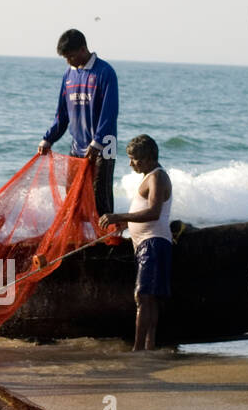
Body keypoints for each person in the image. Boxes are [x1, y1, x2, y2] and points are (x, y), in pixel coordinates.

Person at [99, 135, 172, 351]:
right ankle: (148, 347)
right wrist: (125, 221)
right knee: (149, 298)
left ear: (149, 159)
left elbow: (154, 213)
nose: (131, 163)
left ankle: (138, 349)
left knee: (143, 296)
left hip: (153, 243)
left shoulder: (157, 177)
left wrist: (117, 216)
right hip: (147, 244)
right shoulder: (149, 175)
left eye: (135, 159)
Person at [37, 28, 119, 215]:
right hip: (77, 147)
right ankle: (80, 238)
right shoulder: (68, 75)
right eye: (65, 58)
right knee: (74, 198)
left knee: (100, 199)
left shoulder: (105, 73)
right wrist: (48, 139)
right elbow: (62, 114)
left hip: (104, 147)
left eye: (71, 56)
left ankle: (107, 240)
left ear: (83, 49)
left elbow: (110, 113)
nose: (68, 61)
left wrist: (97, 142)